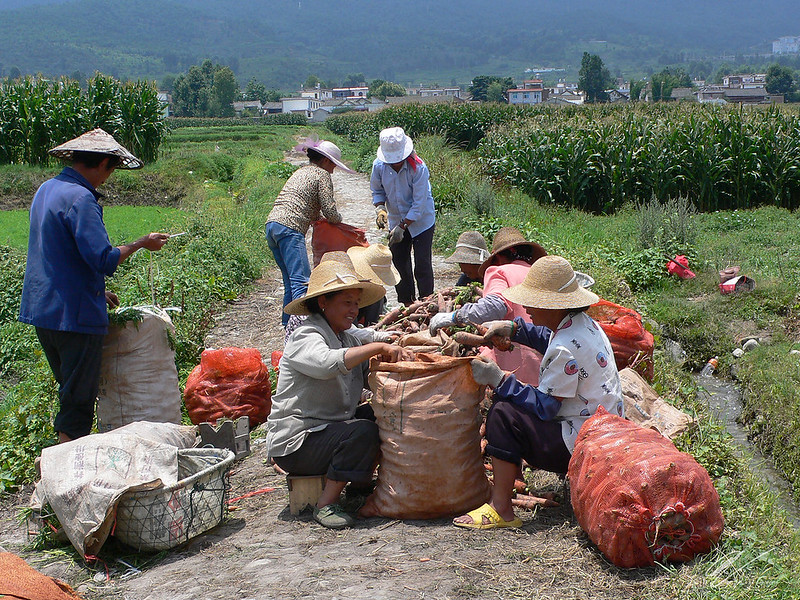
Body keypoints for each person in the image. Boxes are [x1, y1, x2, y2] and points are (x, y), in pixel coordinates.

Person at [18, 128, 170, 443]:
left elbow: (59, 253)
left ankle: (67, 459)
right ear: (101, 163)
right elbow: (104, 260)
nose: (107, 179)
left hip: (43, 310)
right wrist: (142, 243)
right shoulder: (81, 198)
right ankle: (66, 471)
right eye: (110, 171)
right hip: (73, 317)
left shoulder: (47, 189)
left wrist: (97, 290)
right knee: (78, 399)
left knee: (70, 388)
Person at [453, 256, 624, 529]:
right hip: (603, 433)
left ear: (553, 306)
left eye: (533, 302)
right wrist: (513, 329)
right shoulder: (584, 325)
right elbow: (548, 337)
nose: (527, 308)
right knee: (510, 401)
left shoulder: (564, 348)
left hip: (580, 445)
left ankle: (501, 509)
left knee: (503, 413)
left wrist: (498, 379)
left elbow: (545, 408)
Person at [266, 257, 414, 529]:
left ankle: (359, 486)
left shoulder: (346, 337)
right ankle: (325, 505)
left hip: (328, 429)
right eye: (347, 302)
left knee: (376, 413)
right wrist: (378, 349)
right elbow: (326, 364)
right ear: (324, 303)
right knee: (361, 431)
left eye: (356, 303)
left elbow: (364, 378)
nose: (354, 310)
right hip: (298, 442)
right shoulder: (305, 335)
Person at [430, 227, 547, 385]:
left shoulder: (499, 271)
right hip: (546, 366)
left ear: (498, 257)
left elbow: (494, 306)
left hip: (514, 369)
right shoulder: (538, 274)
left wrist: (454, 316)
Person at [265, 135, 356, 326]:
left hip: (272, 225)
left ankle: (287, 328)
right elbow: (330, 210)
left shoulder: (301, 172)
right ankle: (301, 331)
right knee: (301, 282)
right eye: (333, 165)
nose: (333, 170)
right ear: (325, 161)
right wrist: (339, 222)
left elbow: (306, 205)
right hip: (291, 228)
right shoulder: (321, 175)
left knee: (290, 282)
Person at [370, 127, 436, 305]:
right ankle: (407, 302)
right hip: (396, 219)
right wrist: (380, 208)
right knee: (399, 262)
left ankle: (426, 302)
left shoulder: (418, 168)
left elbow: (419, 204)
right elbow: (377, 190)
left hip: (422, 221)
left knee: (422, 264)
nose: (395, 163)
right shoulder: (379, 166)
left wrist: (403, 226)